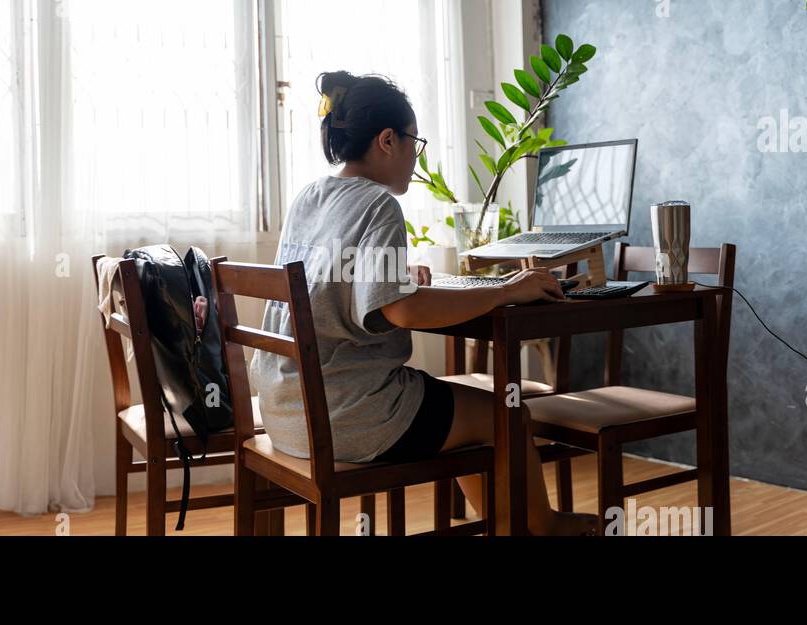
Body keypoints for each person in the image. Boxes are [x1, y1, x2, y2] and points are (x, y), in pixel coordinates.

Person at [250, 70, 595, 536]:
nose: (416, 155)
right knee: (509, 413)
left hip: (288, 414)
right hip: (349, 417)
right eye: (415, 141)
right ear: (387, 140)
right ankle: (543, 526)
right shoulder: (378, 204)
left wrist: (391, 277)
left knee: (466, 418)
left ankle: (511, 526)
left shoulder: (310, 196)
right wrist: (507, 289)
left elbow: (323, 278)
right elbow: (403, 311)